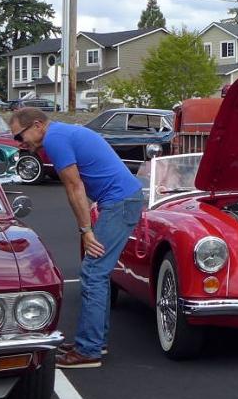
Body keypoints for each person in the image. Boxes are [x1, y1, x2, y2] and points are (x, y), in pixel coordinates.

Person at [9, 107, 143, 369]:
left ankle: (89, 350)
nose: (20, 143)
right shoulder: (61, 134)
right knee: (97, 273)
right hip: (122, 200)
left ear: (37, 125)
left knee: (93, 273)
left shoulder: (55, 139)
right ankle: (95, 342)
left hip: (120, 202)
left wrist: (86, 230)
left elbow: (74, 186)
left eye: (19, 136)